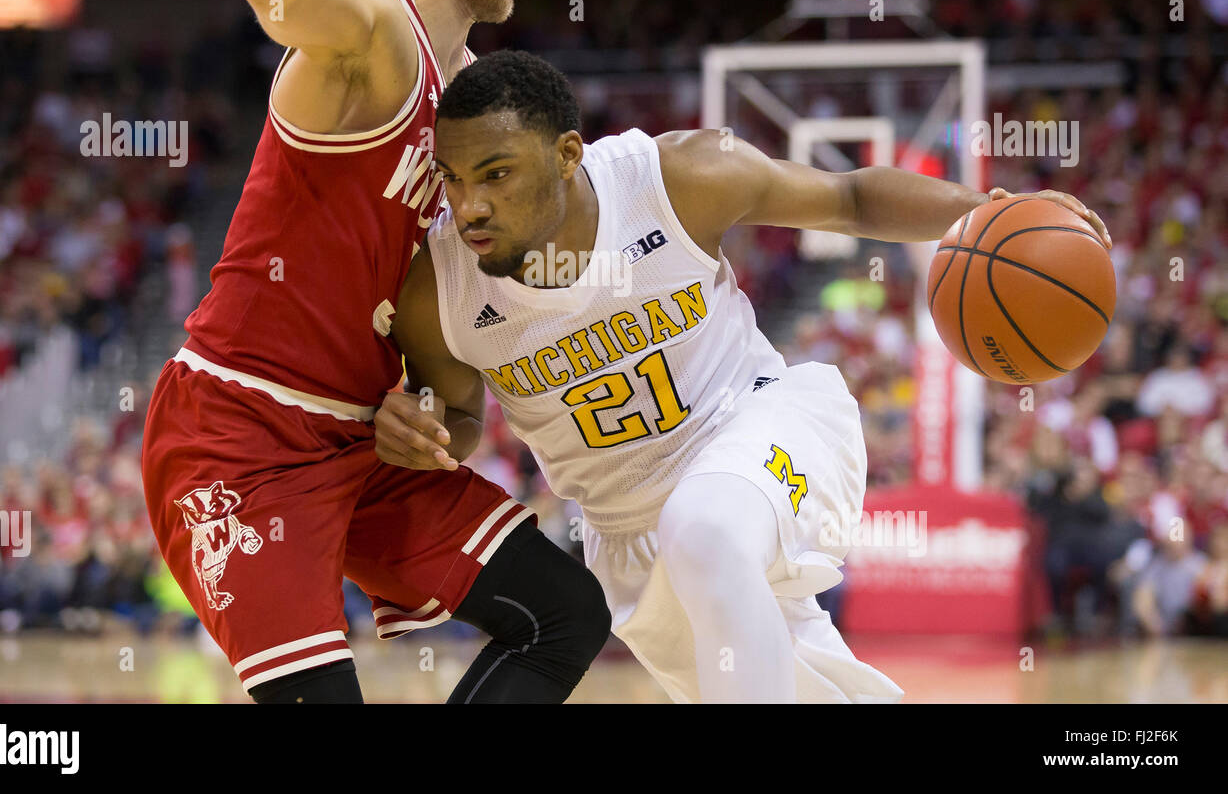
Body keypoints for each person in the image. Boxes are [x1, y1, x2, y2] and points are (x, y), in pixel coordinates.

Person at [376, 50, 1113, 703]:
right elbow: (461, 415)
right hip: (630, 538)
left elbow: (849, 199)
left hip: (762, 429)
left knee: (705, 527)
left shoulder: (676, 179)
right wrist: (429, 426)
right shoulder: (437, 291)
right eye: (455, 179)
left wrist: (988, 211)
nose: (470, 205)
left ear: (568, 153)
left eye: (496, 175)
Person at [142, 0, 612, 704]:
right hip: (245, 435)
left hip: (362, 439)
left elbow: (442, 344)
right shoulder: (376, 36)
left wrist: (429, 410)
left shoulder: (474, 105)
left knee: (568, 611)